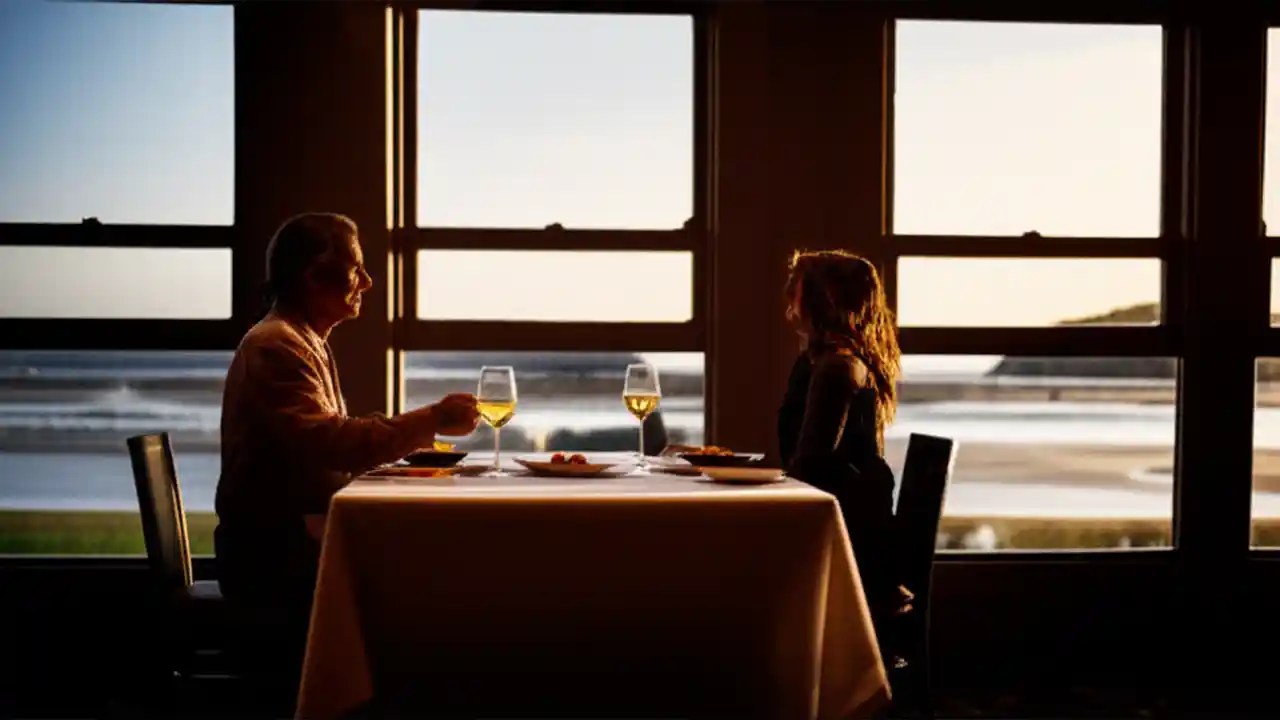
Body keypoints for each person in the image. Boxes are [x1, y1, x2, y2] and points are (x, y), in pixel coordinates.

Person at [214, 212, 479, 709]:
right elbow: (332, 443)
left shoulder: (300, 337)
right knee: (423, 594)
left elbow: (328, 446)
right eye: (357, 268)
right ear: (314, 275)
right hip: (273, 559)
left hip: (289, 542)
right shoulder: (276, 345)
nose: (368, 281)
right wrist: (432, 418)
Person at [776, 249, 902, 657]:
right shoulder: (833, 361)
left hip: (848, 538)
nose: (789, 298)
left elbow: (812, 466)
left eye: (796, 289)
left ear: (817, 299)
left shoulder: (835, 368)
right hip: (852, 524)